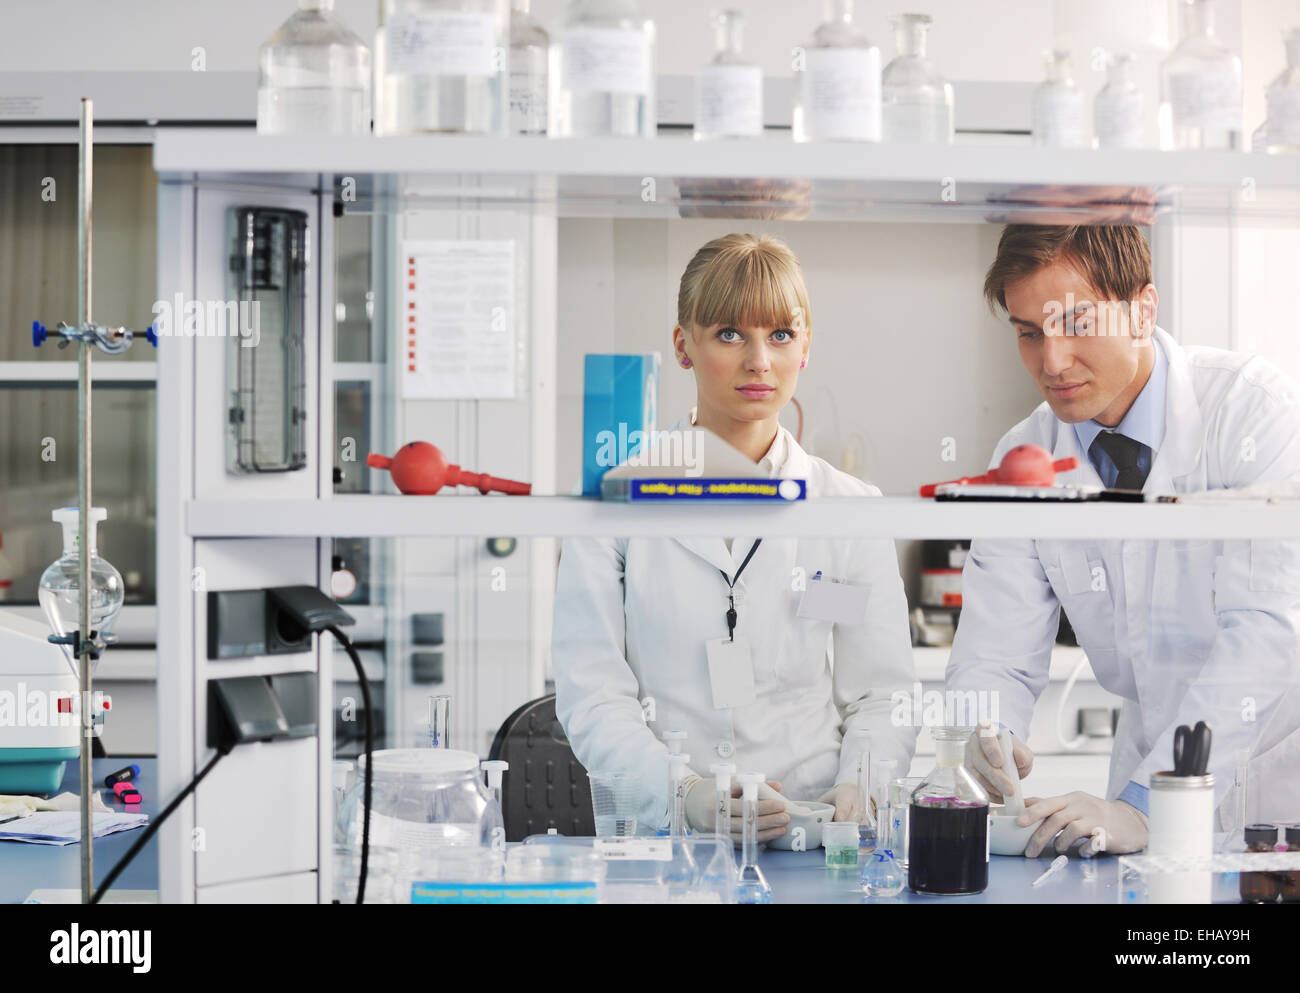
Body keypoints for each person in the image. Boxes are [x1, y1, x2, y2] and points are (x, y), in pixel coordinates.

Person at [948, 224, 1300, 857]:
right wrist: (988, 728)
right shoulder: (1025, 458)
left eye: (1076, 323)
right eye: (1029, 332)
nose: (1051, 362)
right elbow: (996, 650)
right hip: (1140, 792)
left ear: (1143, 309)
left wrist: (1149, 803)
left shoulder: (1253, 411)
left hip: (1277, 785)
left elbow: (1269, 633)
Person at [553, 233, 917, 842]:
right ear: (683, 345)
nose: (759, 361)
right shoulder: (614, 501)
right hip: (668, 842)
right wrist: (685, 795)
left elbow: (881, 693)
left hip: (813, 834)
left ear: (806, 348)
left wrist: (861, 785)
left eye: (780, 335)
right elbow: (592, 696)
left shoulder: (848, 510)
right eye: (729, 334)